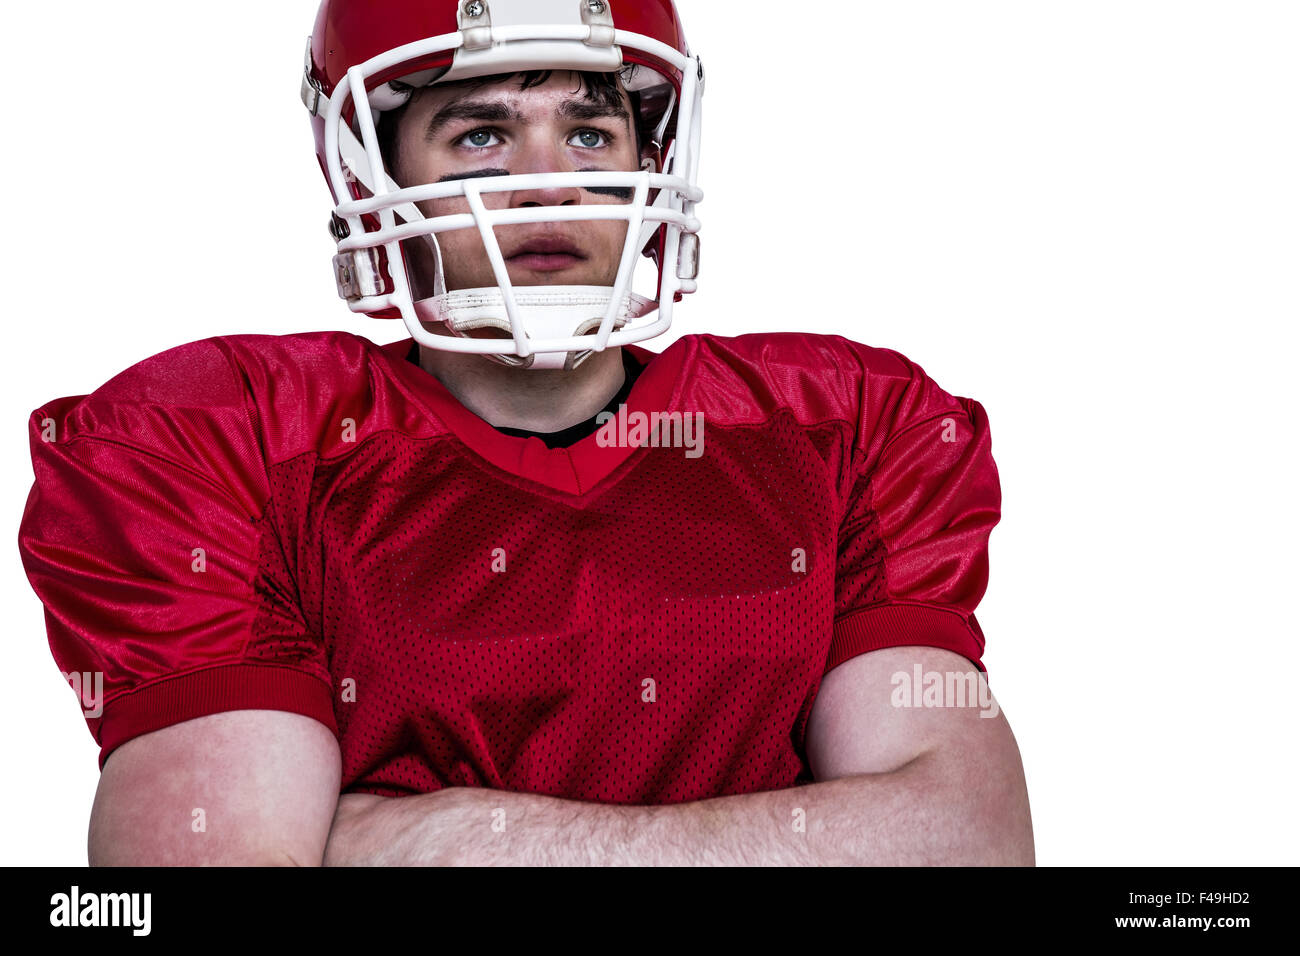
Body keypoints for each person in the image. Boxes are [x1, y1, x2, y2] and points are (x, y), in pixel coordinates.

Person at [17, 0, 1033, 866]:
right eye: (480, 134)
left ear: (651, 154)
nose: (549, 181)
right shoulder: (217, 441)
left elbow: (966, 839)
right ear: (373, 171)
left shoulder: (850, 424)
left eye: (589, 133)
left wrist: (455, 837)